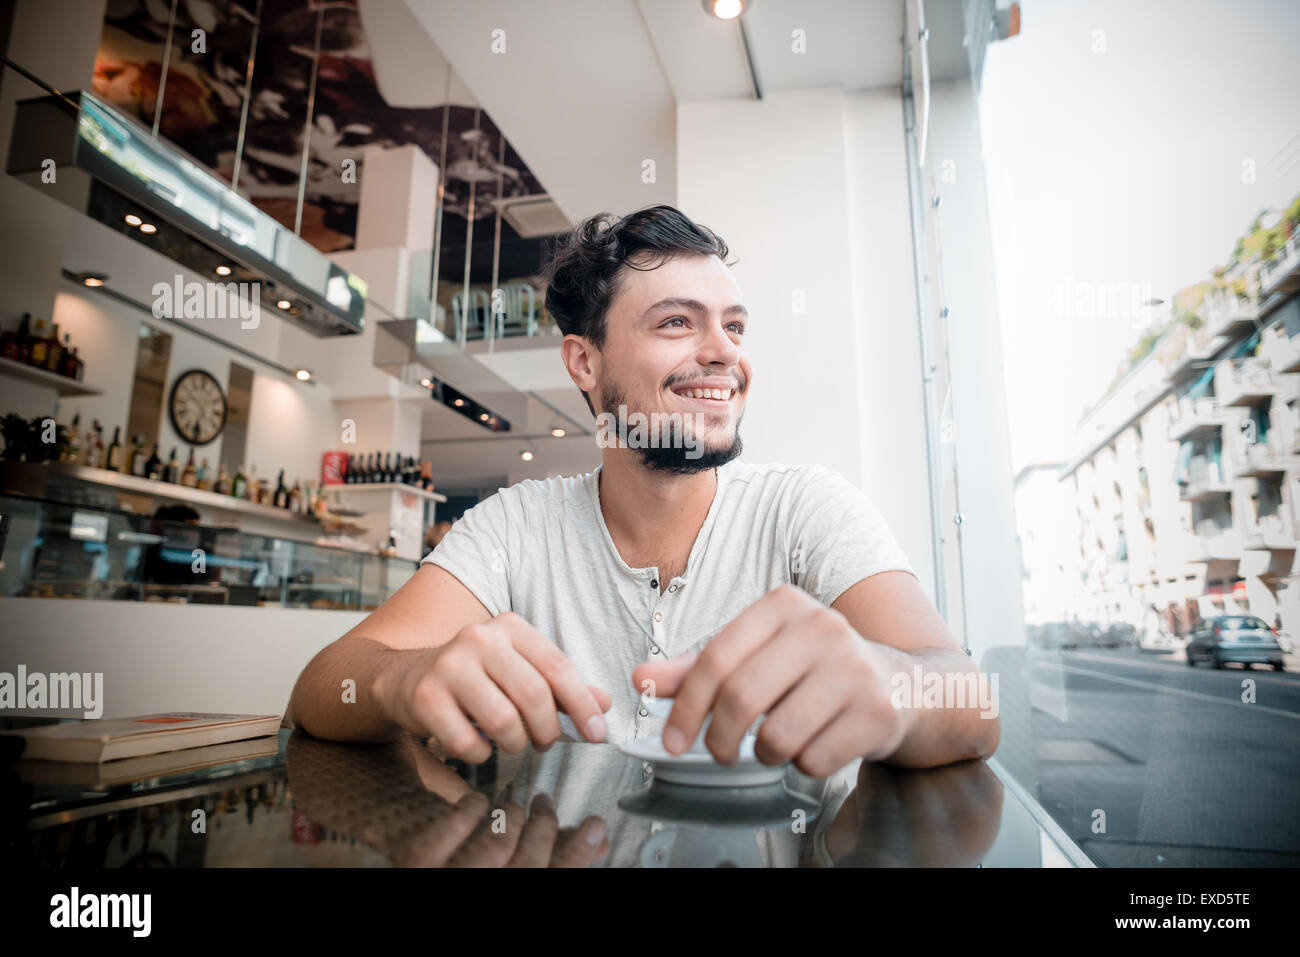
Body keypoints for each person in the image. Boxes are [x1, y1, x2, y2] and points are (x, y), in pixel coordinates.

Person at [287, 205, 1000, 774]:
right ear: (584, 361)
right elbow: (323, 685)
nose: (724, 351)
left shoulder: (807, 509)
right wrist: (402, 680)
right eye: (677, 322)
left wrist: (890, 683)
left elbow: (972, 705)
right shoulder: (516, 528)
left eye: (735, 326)